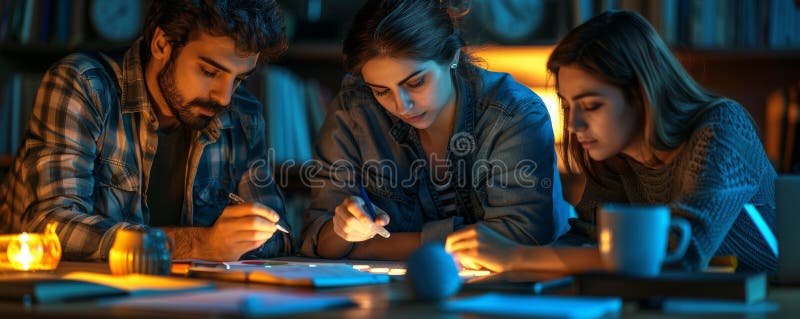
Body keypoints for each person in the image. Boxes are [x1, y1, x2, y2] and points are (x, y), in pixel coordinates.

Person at [446, 10, 778, 272]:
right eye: (567, 104)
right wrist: (497, 265)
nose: (574, 124)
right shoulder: (617, 154)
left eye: (591, 105)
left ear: (640, 94)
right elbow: (586, 237)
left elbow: (679, 251)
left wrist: (517, 258)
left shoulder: (722, 127)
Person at [0, 0, 291, 261]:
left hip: (185, 298)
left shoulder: (242, 114)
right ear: (162, 44)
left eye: (239, 79)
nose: (224, 97)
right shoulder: (85, 86)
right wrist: (201, 244)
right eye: (209, 72)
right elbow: (51, 226)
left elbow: (283, 235)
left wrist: (248, 236)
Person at [300, 0, 570, 260]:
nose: (401, 106)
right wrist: (342, 230)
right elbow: (316, 236)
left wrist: (366, 248)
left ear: (452, 57)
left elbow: (522, 238)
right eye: (382, 91)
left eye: (416, 83)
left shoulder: (512, 112)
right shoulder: (355, 110)